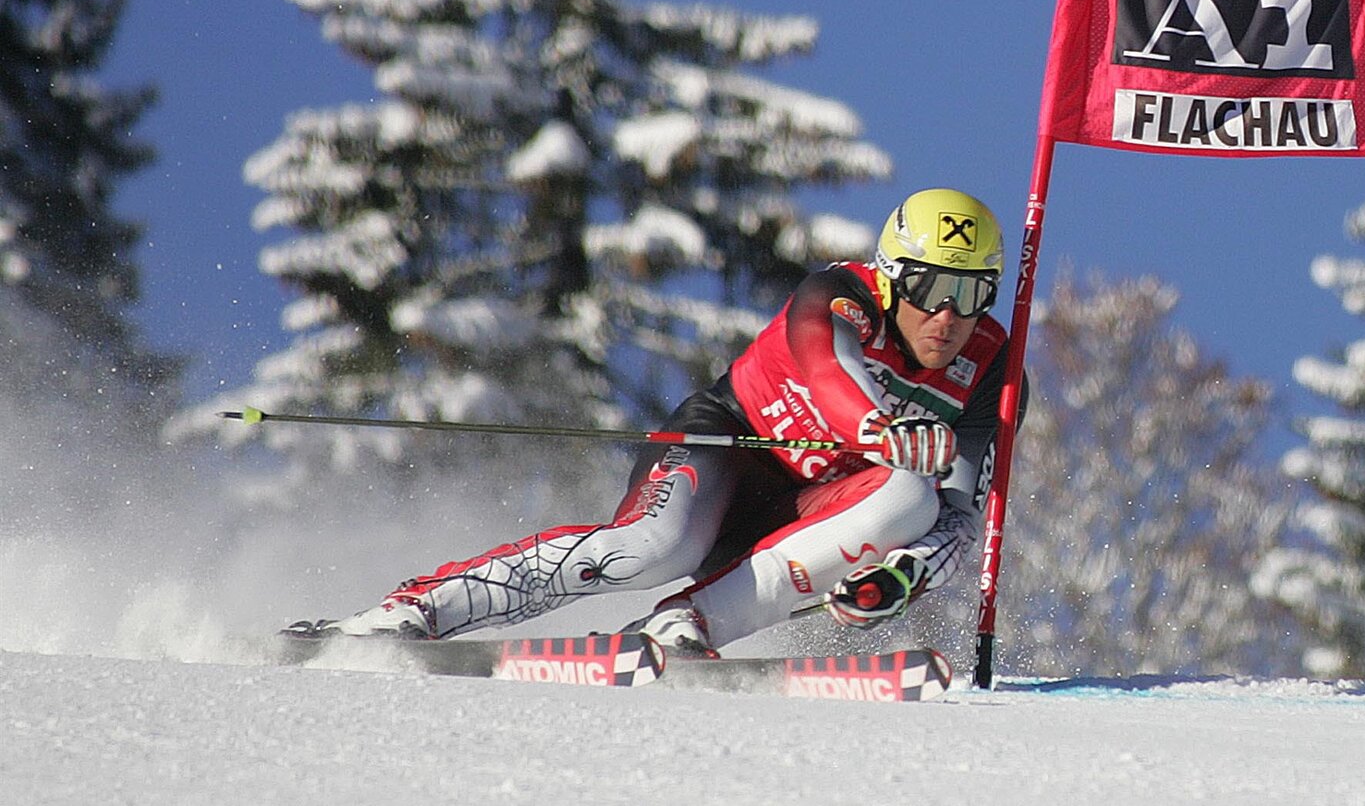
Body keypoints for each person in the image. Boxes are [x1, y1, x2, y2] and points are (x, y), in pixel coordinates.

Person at [292, 187, 1020, 658]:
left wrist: (901, 580)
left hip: (810, 514)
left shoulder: (989, 369)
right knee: (652, 547)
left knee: (912, 497)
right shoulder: (838, 294)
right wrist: (881, 429)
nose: (950, 315)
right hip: (727, 446)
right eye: (930, 288)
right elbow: (829, 373)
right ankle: (419, 608)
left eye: (973, 292)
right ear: (891, 277)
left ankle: (687, 625)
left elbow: (959, 514)